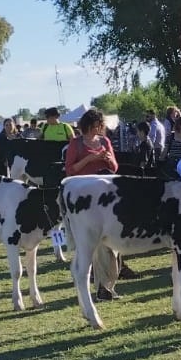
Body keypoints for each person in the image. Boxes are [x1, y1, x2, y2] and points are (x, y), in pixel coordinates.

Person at [64, 108, 121, 300]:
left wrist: (107, 159)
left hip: (106, 195)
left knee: (112, 243)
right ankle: (102, 287)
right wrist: (90, 159)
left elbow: (115, 167)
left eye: (100, 125)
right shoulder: (76, 144)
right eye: (96, 125)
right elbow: (70, 170)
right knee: (97, 244)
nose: (99, 129)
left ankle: (108, 285)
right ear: (87, 125)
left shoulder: (105, 141)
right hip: (85, 198)